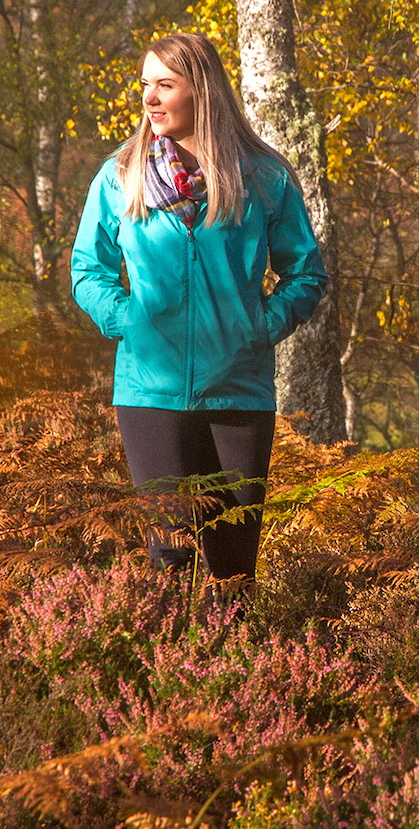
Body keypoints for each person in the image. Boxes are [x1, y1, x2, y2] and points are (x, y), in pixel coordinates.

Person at [69, 33, 327, 587]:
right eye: (145, 85)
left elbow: (307, 272)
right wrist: (130, 322)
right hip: (149, 394)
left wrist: (259, 327)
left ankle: (237, 673)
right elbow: (87, 271)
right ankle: (168, 673)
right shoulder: (120, 176)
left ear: (201, 91)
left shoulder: (261, 177)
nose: (150, 99)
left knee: (233, 568)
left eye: (165, 85)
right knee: (169, 562)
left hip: (238, 391)